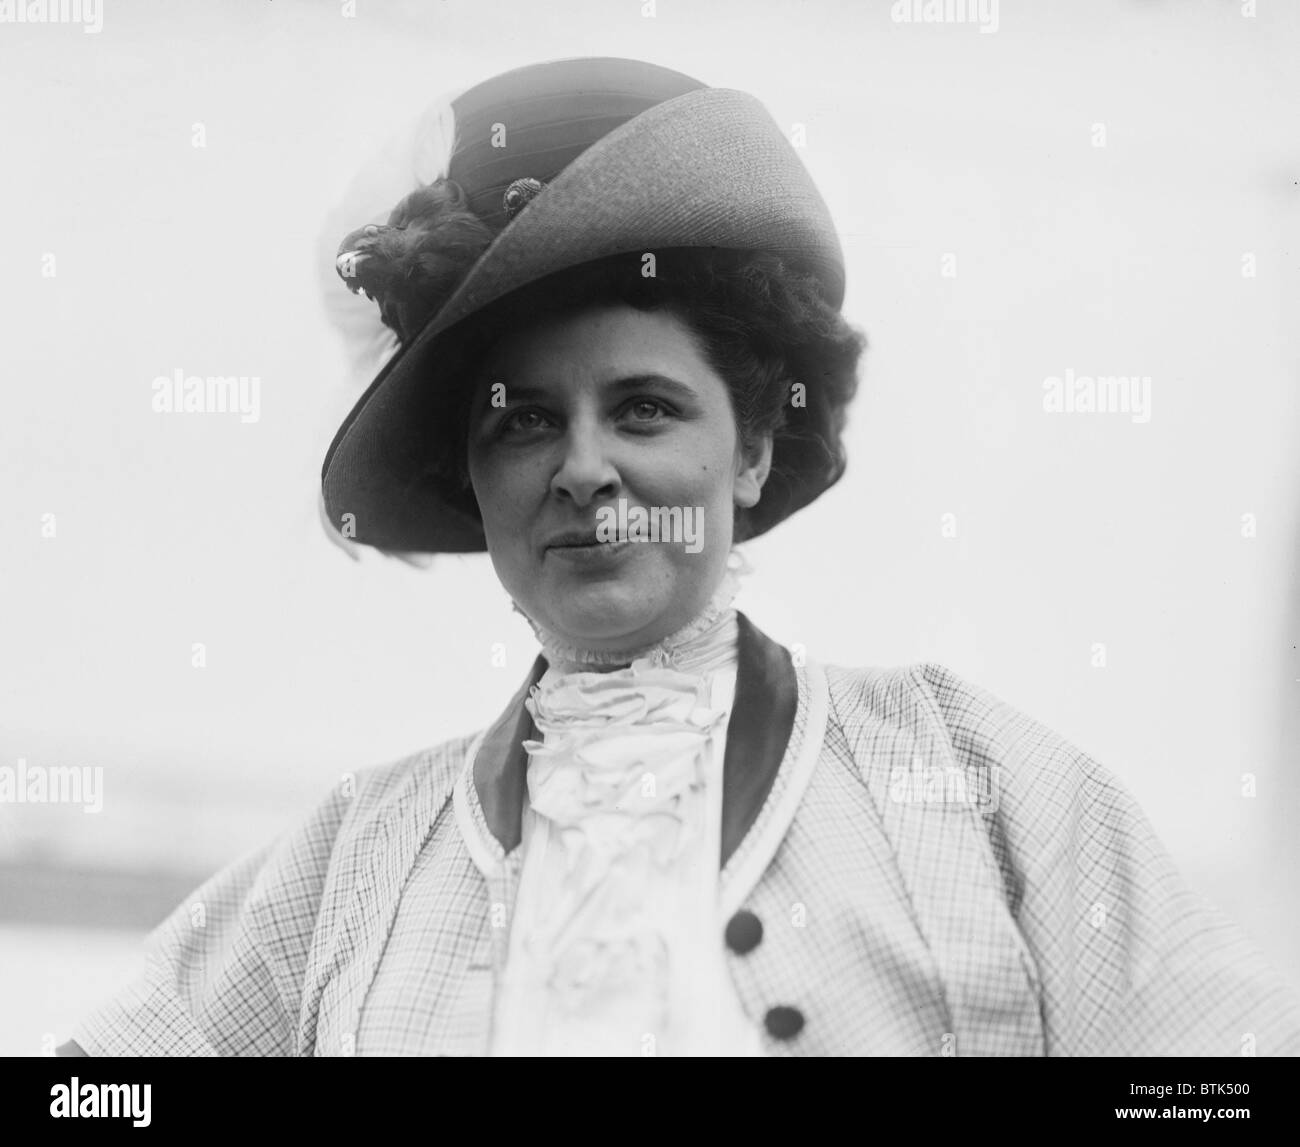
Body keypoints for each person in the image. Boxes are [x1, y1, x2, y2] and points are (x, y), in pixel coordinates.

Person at [60, 56, 1300, 1057]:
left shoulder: (974, 784)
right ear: (474, 484)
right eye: (524, 420)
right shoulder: (351, 861)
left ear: (752, 448)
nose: (584, 469)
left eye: (644, 408)